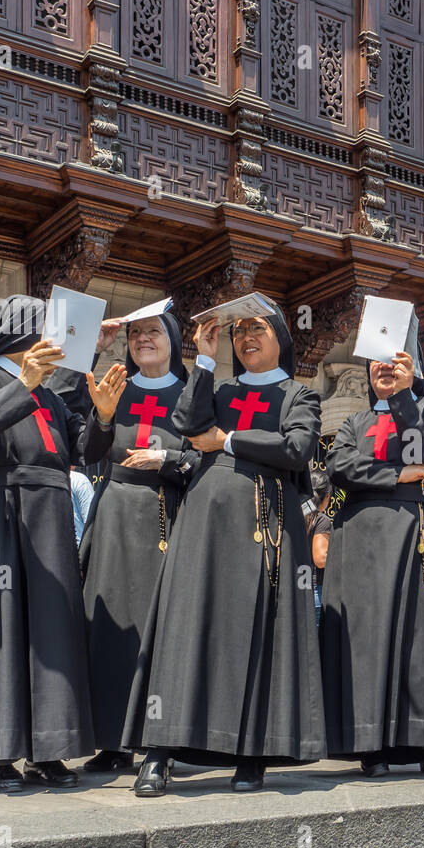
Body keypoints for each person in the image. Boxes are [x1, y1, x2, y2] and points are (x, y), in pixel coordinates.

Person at [0, 294, 126, 790]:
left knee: (51, 632)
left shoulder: (52, 397)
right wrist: (27, 385)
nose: (54, 343)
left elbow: (85, 450)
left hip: (49, 519)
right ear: (19, 332)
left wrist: (101, 415)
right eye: (45, 331)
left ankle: (48, 749)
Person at [122, 305, 324, 796]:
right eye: (240, 331)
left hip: (265, 523)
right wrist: (206, 360)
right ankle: (160, 751)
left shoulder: (301, 394)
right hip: (204, 522)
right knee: (183, 627)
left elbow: (296, 450)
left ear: (280, 336)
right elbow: (189, 425)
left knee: (257, 631)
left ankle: (251, 751)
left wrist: (228, 439)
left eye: (259, 328)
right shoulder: (223, 389)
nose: (247, 337)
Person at [322, 335, 424, 778]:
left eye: (395, 363)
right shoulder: (355, 421)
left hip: (420, 535)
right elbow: (340, 469)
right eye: (376, 363)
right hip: (362, 541)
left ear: (415, 370)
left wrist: (408, 400)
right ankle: (370, 743)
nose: (384, 369)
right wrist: (399, 474)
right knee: (368, 637)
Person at [78, 307, 198, 774]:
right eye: (135, 333)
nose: (142, 339)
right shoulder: (115, 386)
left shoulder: (190, 395)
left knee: (156, 629)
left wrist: (167, 458)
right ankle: (112, 741)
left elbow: (201, 456)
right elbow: (86, 452)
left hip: (163, 515)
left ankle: (157, 743)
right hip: (111, 514)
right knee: (108, 625)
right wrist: (104, 417)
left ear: (172, 339)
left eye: (153, 331)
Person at [307, 469, 333, 628]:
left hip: (296, 587)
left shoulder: (295, 514)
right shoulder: (321, 520)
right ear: (328, 496)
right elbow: (321, 558)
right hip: (315, 589)